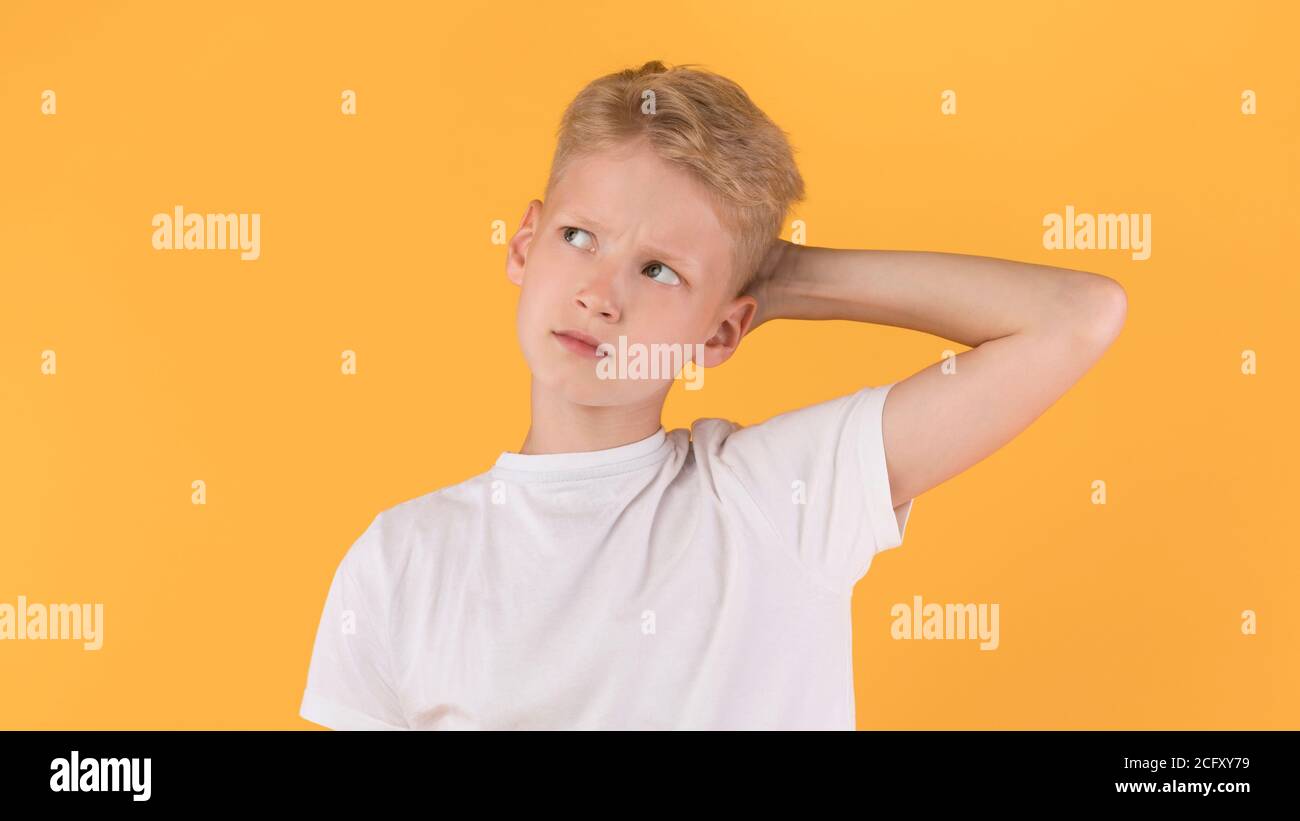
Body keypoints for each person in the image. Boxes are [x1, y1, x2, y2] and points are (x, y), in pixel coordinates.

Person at [298, 60, 1127, 730]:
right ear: (524, 243)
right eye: (579, 236)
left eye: (660, 270)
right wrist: (708, 278)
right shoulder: (402, 557)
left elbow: (1077, 317)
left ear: (724, 334)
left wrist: (782, 274)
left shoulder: (778, 495)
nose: (600, 294)